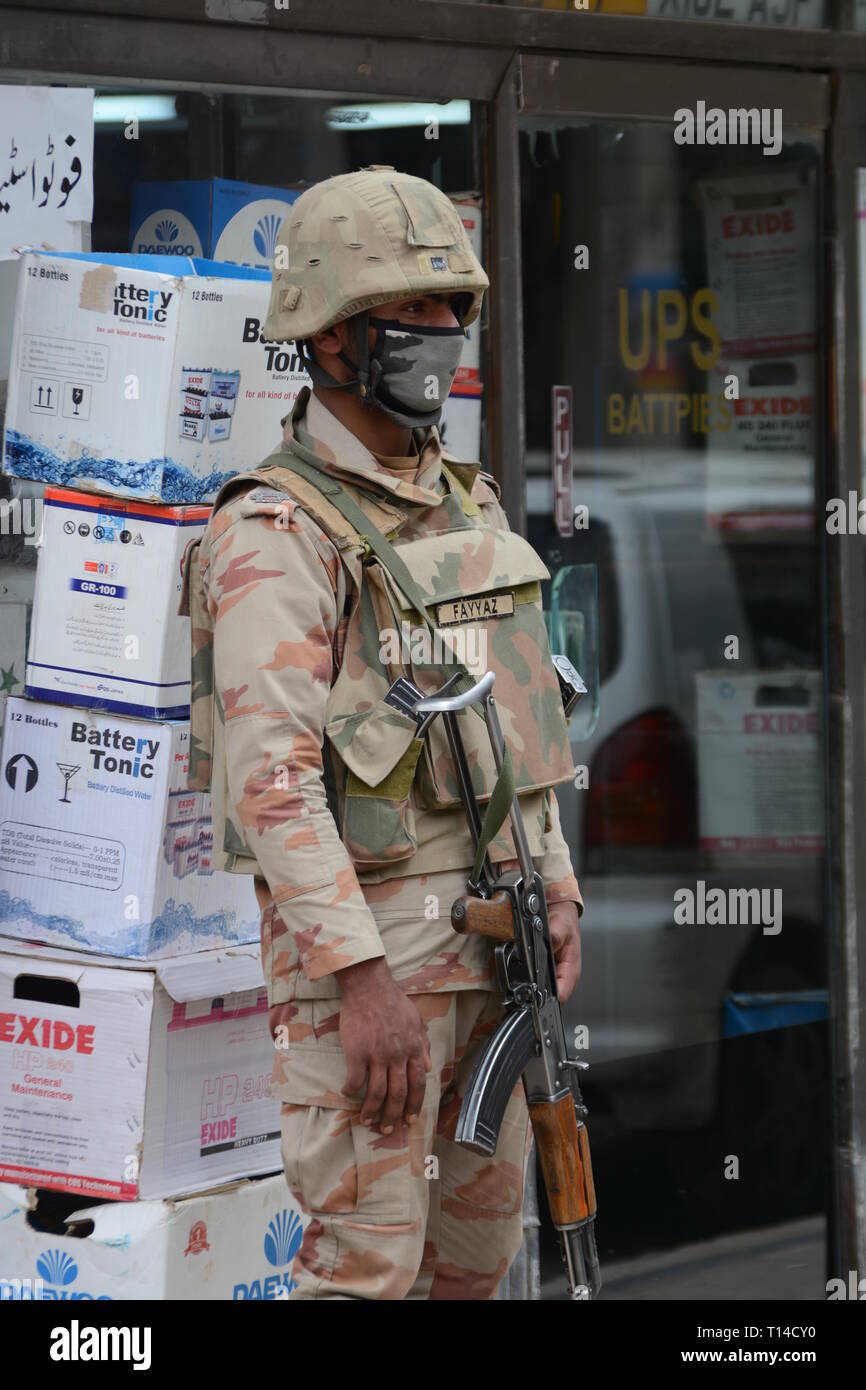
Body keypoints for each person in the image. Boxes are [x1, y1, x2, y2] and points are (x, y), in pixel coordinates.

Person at [182, 166, 584, 1300]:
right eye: (414, 317)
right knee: (364, 1272)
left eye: (451, 313)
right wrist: (359, 981)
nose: (443, 340)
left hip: (497, 963)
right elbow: (274, 785)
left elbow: (517, 733)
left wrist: (555, 887)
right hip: (375, 983)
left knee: (473, 1265)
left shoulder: (471, 507)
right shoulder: (274, 529)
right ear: (336, 336)